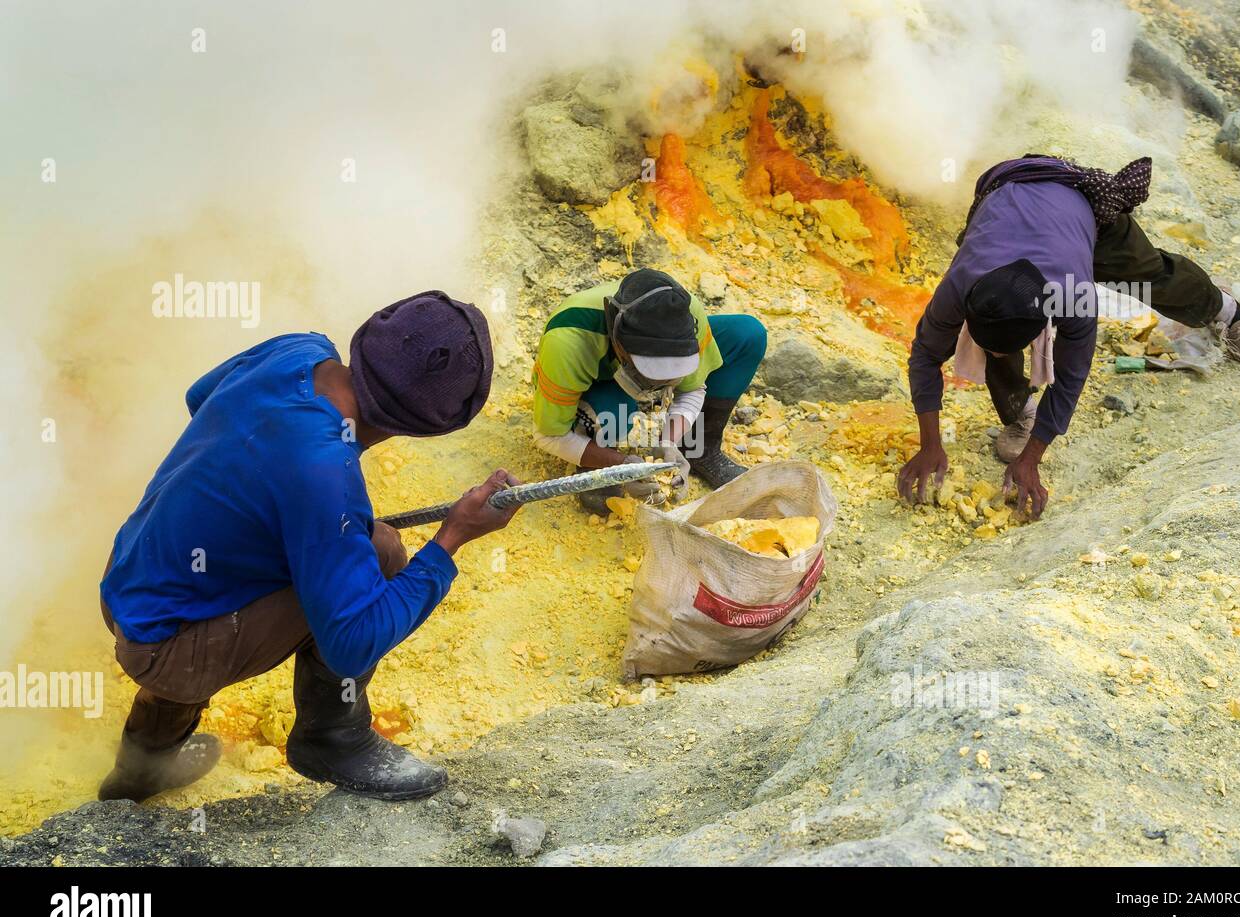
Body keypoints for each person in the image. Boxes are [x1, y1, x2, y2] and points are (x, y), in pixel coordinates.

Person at [98, 291, 518, 803]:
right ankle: (331, 738)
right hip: (167, 650)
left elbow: (199, 396)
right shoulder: (323, 473)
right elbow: (353, 640)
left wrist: (266, 502)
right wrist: (452, 538)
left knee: (340, 549)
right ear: (428, 427)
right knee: (381, 553)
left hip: (128, 584)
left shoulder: (296, 350)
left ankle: (140, 769)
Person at [898, 155, 1240, 518]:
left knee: (1150, 275)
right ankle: (1022, 411)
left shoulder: (1074, 297)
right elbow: (926, 355)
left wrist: (1032, 459)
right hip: (1008, 196)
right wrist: (930, 444)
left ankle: (1227, 311)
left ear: (1044, 327)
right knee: (998, 343)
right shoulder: (962, 283)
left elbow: (1070, 378)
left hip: (1078, 204)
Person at [531, 268, 767, 514]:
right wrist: (620, 466)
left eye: (671, 375)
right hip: (598, 384)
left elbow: (693, 389)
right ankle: (595, 463)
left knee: (747, 334)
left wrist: (669, 442)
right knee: (615, 410)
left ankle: (698, 449)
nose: (659, 387)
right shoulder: (566, 341)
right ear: (618, 341)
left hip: (630, 365)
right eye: (650, 373)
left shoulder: (684, 312)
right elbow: (548, 435)